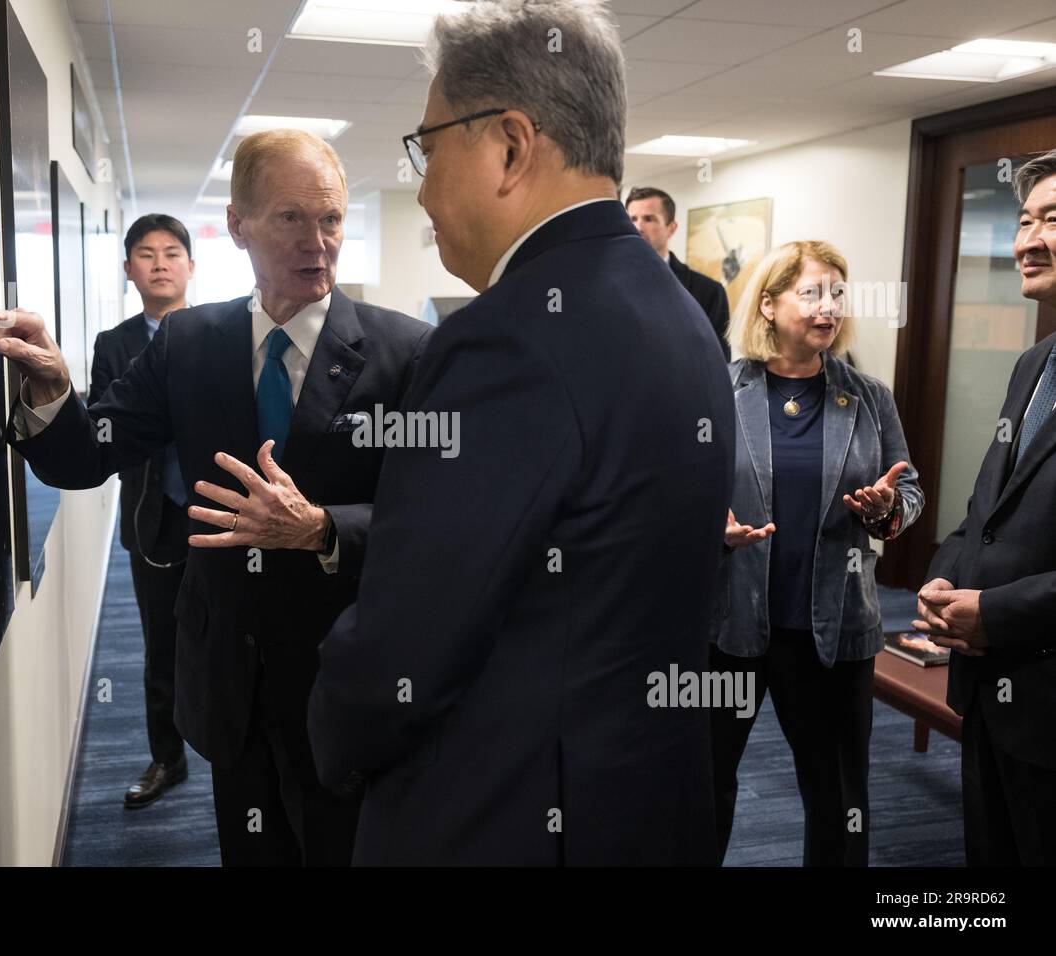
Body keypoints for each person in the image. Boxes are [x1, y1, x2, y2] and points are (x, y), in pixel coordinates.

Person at [306, 0, 733, 865]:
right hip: (644, 796)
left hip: (511, 813)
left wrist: (328, 732)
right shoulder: (677, 309)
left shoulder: (506, 338)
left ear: (508, 145)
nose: (422, 186)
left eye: (427, 147)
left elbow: (405, 649)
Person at [0, 130, 433, 866]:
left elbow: (436, 529)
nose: (317, 242)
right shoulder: (189, 342)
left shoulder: (405, 352)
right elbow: (89, 455)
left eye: (332, 220)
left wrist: (321, 529)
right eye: (291, 218)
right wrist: (55, 389)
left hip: (347, 683)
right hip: (229, 677)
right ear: (238, 224)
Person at [712, 240, 923, 866]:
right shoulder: (720, 391)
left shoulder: (867, 395)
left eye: (836, 292)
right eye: (812, 293)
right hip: (729, 628)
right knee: (704, 786)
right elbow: (677, 490)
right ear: (770, 305)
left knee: (837, 801)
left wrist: (887, 511)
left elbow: (906, 488)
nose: (828, 306)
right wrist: (707, 525)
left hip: (833, 634)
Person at [916, 148, 1056, 866]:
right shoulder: (1034, 363)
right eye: (1024, 220)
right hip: (994, 700)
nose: (1027, 240)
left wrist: (994, 613)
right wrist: (945, 580)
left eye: (1053, 220)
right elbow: (985, 511)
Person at [89, 214, 196, 808]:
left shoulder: (223, 331)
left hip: (224, 514)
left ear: (190, 265)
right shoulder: (116, 344)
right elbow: (106, 427)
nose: (160, 263)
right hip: (152, 516)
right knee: (161, 644)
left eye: (173, 252)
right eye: (147, 254)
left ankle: (246, 750)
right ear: (129, 269)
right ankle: (167, 758)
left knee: (239, 633)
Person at [626, 186, 731, 359]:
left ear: (671, 228)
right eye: (632, 219)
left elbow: (719, 363)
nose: (638, 227)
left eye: (649, 219)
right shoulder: (608, 284)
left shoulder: (708, 292)